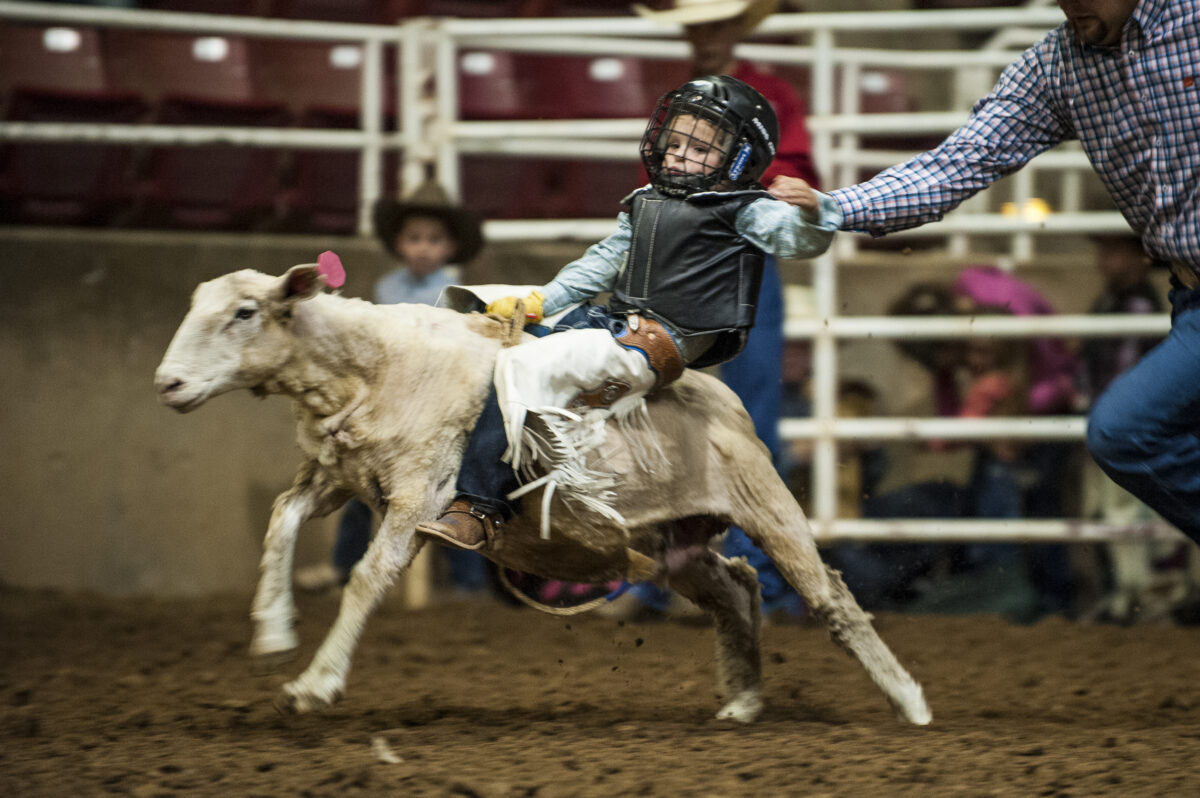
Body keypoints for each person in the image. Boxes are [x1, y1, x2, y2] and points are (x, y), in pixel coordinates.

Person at [781, 0, 1200, 549]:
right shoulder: (1057, 67)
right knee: (1125, 434)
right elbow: (959, 161)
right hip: (1190, 294)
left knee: (1127, 431)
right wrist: (834, 208)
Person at [414, 75, 835, 554]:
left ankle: (481, 507)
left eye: (697, 147)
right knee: (486, 321)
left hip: (656, 342)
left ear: (738, 159)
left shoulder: (747, 209)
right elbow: (598, 264)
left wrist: (814, 213)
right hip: (614, 325)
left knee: (522, 365)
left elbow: (798, 240)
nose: (677, 153)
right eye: (674, 140)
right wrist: (539, 300)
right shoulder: (644, 204)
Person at [625, 0, 821, 619]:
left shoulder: (753, 95)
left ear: (737, 26)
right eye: (695, 23)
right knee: (651, 412)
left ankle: (750, 575)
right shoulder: (744, 96)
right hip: (696, 263)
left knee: (752, 419)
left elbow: (794, 173)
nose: (703, 34)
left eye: (713, 21)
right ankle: (660, 573)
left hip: (740, 263)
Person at [296, 180, 488, 593]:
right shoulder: (388, 289)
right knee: (364, 492)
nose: (423, 248)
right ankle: (343, 568)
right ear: (399, 243)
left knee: (451, 496)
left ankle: (469, 584)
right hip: (396, 405)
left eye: (434, 239)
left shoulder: (459, 292)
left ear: (450, 247)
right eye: (414, 237)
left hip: (442, 406)